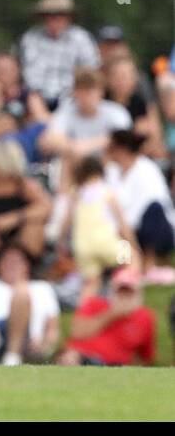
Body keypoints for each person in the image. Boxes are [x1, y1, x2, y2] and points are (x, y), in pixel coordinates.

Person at [104, 130, 175, 282]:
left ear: (121, 149)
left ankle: (149, 264)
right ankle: (125, 268)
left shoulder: (147, 169)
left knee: (153, 210)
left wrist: (125, 226)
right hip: (122, 231)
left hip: (153, 229)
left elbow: (150, 205)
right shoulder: (111, 172)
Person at [0, 241, 60, 365]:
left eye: (17, 261)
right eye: (7, 261)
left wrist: (45, 346)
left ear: (27, 265)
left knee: (21, 294)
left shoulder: (41, 288)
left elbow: (52, 327)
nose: (12, 265)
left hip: (28, 339)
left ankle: (12, 355)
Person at [18, 0, 99, 108]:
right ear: (43, 17)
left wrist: (75, 93)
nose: (56, 19)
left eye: (60, 14)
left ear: (69, 16)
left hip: (74, 100)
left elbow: (91, 71)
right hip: (37, 101)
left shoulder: (81, 38)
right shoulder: (30, 39)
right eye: (51, 15)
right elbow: (29, 75)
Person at [58, 266, 154, 366]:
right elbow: (77, 333)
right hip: (81, 357)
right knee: (70, 357)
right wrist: (111, 314)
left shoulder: (145, 316)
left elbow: (145, 357)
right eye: (121, 290)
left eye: (129, 291)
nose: (124, 295)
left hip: (115, 366)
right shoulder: (94, 304)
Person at [69, 155, 134, 295]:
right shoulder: (107, 191)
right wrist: (132, 243)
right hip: (106, 243)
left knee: (91, 283)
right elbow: (122, 224)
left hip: (83, 246)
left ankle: (83, 313)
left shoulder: (77, 193)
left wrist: (61, 243)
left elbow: (67, 221)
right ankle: (124, 296)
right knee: (130, 257)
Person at [37, 67, 132, 164]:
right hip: (75, 166)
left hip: (107, 165)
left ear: (101, 91)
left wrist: (85, 147)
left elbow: (122, 139)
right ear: (75, 92)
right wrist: (75, 148)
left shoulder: (116, 112)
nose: (86, 96)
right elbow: (50, 139)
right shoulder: (66, 112)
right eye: (82, 90)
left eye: (90, 90)